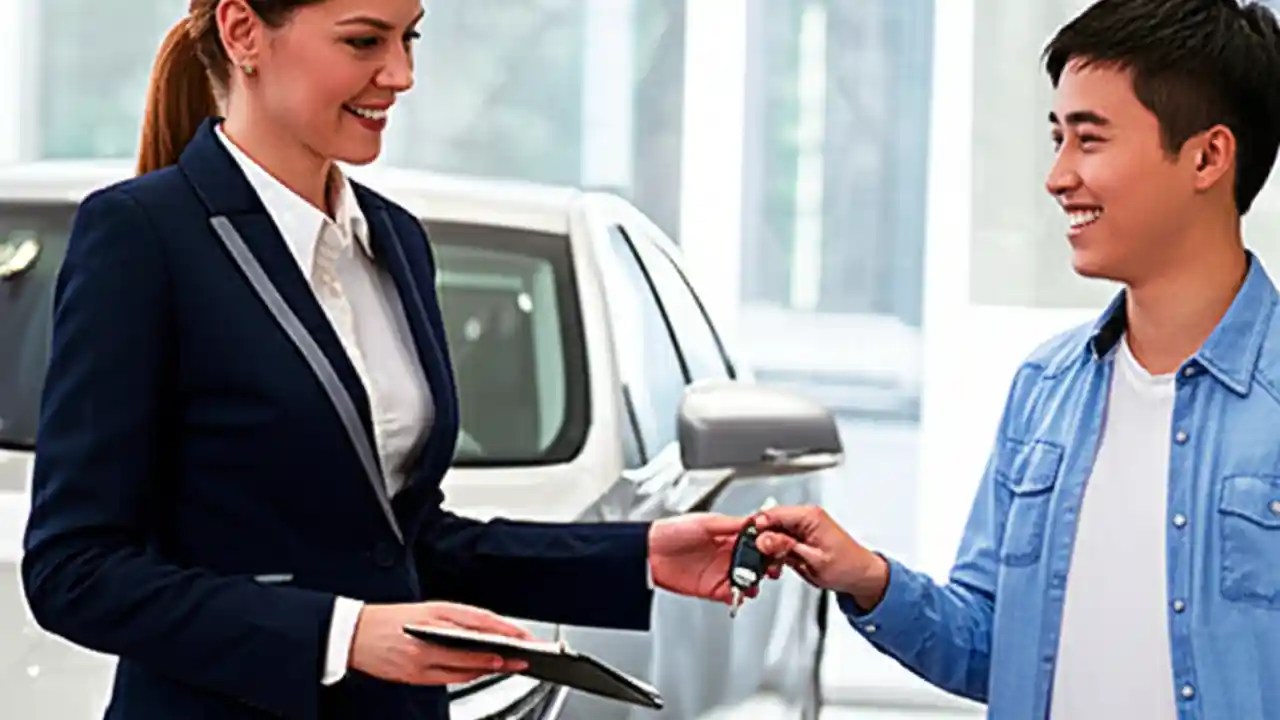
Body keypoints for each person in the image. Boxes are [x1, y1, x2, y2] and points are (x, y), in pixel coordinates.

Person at [19, 1, 774, 718]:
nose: (401, 74)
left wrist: (639, 555)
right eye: (364, 40)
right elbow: (74, 570)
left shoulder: (395, 241)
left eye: (410, 37)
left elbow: (400, 541)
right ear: (244, 32)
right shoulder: (141, 236)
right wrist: (341, 635)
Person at [753, 1, 1280, 718]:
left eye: (1089, 140)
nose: (1058, 177)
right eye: (1058, 139)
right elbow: (992, 647)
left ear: (1208, 157)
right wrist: (868, 578)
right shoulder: (1044, 389)